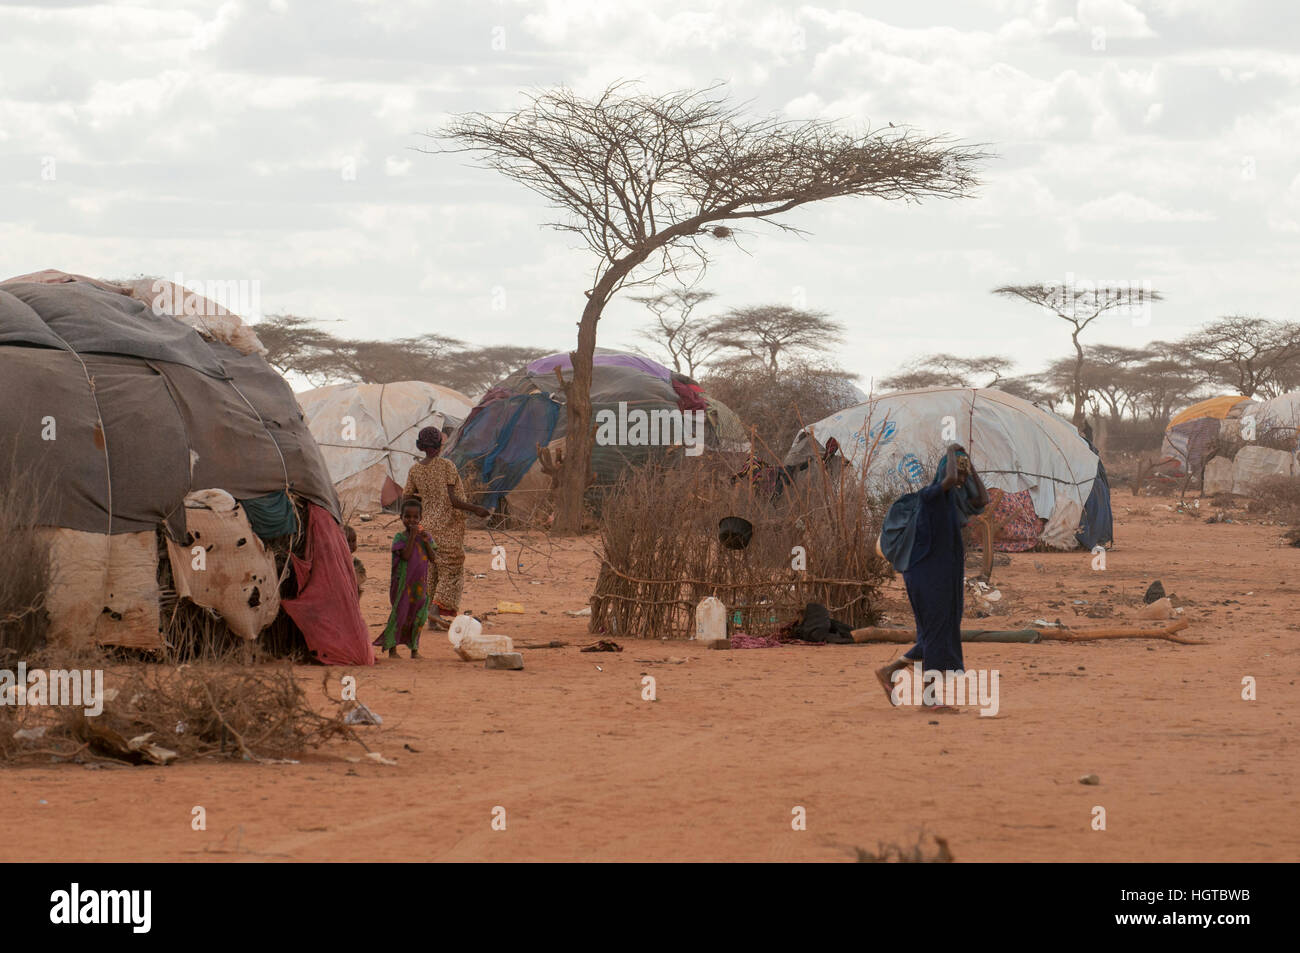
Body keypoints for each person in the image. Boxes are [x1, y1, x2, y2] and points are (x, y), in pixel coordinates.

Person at [875, 444, 989, 711]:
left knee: (941, 633)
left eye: (963, 477)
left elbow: (982, 500)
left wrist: (969, 466)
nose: (960, 480)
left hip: (945, 575)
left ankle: (892, 671)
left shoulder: (955, 501)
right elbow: (948, 479)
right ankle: (929, 699)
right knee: (936, 634)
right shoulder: (930, 496)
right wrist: (952, 451)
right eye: (957, 475)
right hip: (925, 575)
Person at [401, 427, 491, 628]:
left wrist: (422, 504)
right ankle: (435, 611)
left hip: (426, 526)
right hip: (446, 526)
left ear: (421, 446)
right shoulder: (446, 466)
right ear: (439, 445)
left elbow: (406, 497)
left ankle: (431, 618)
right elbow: (453, 500)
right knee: (451, 567)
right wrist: (476, 509)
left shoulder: (415, 470)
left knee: (433, 569)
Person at [376, 498, 436, 659]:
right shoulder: (399, 538)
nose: (411, 520)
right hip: (402, 585)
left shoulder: (426, 537)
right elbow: (406, 556)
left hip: (419, 585)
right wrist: (412, 537)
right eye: (407, 517)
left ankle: (414, 649)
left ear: (420, 518)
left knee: (419, 616)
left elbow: (433, 558)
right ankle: (392, 649)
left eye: (415, 517)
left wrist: (425, 541)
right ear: (401, 517)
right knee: (400, 614)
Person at [344, 524, 366, 599]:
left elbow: (361, 578)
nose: (351, 545)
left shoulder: (356, 562)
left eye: (353, 541)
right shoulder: (336, 563)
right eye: (347, 541)